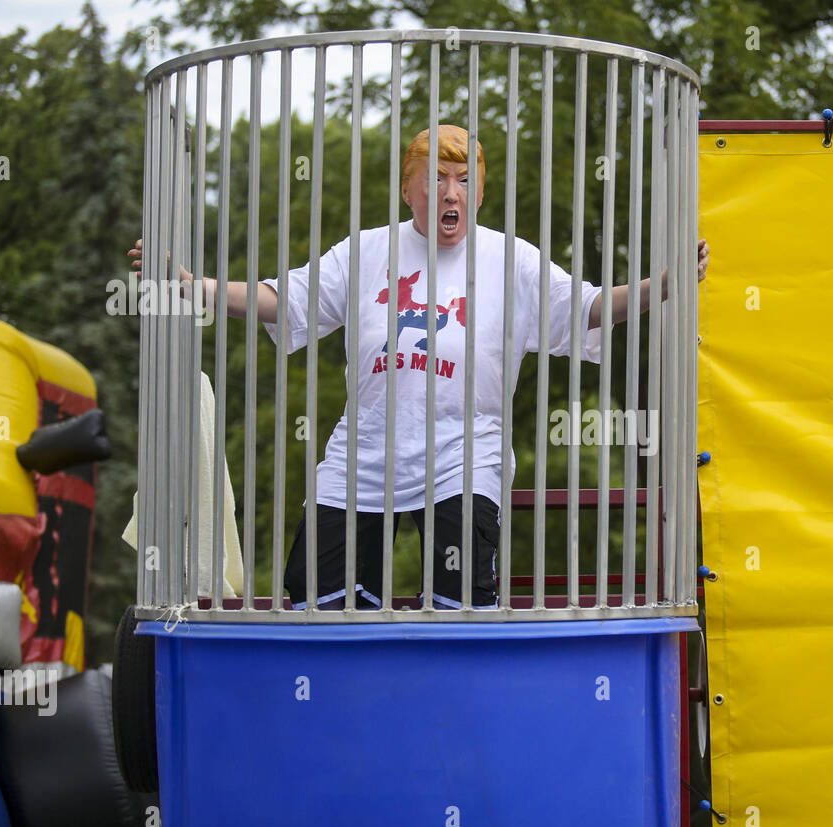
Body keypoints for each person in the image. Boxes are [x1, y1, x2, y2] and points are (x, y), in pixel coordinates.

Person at [131, 124, 710, 610]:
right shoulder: (366, 251)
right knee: (315, 595)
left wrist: (664, 285)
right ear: (409, 190)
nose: (450, 191)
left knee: (462, 602)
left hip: (464, 453)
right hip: (364, 452)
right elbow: (284, 300)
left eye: (463, 179)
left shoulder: (511, 260)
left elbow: (587, 308)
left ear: (479, 193)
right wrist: (192, 287)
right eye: (434, 177)